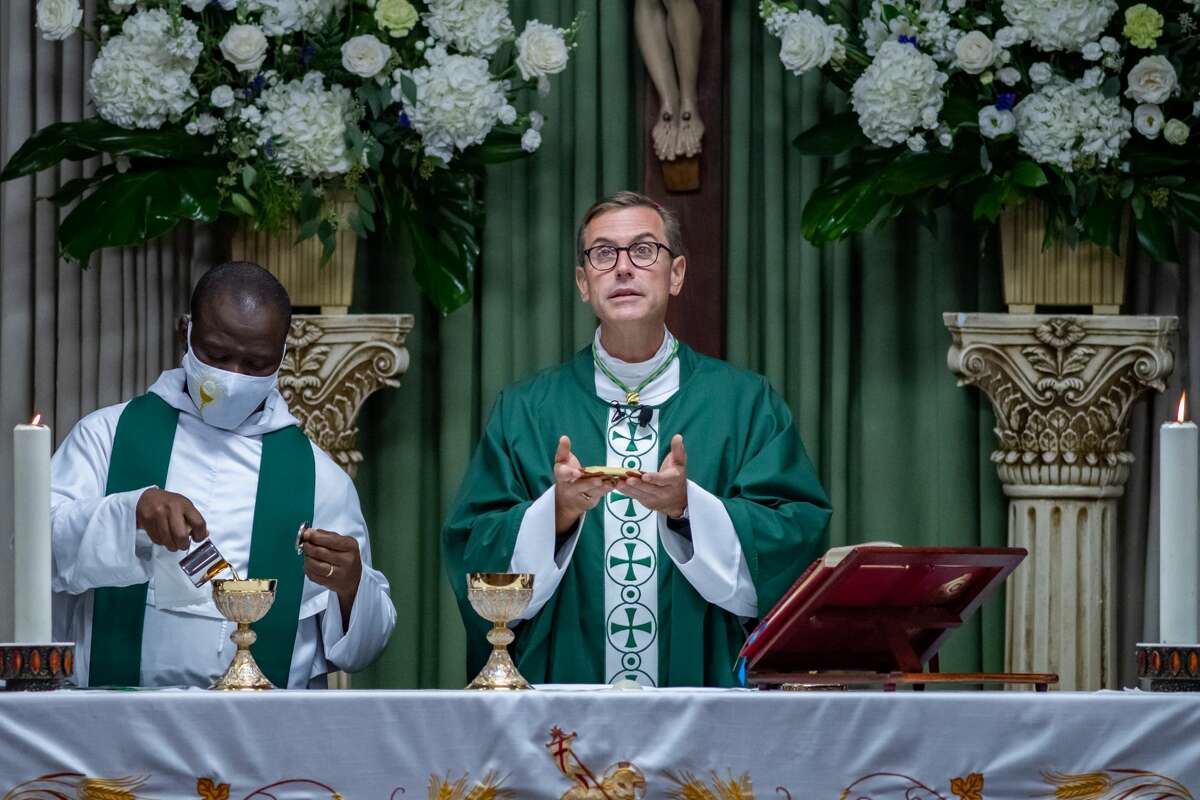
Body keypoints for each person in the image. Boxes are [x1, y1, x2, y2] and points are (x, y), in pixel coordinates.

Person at [443, 191, 831, 687]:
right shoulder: (526, 410)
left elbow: (794, 541)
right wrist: (556, 514)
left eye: (644, 250)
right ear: (583, 283)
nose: (623, 268)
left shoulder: (745, 403)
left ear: (677, 274)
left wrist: (686, 510)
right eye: (603, 254)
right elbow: (474, 548)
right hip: (565, 698)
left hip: (703, 693)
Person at [50, 261, 396, 688]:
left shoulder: (320, 478)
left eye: (256, 363)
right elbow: (37, 550)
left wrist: (351, 588)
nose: (233, 377)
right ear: (187, 333)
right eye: (216, 355)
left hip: (259, 724)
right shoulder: (106, 436)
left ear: (282, 356)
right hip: (115, 715)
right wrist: (130, 511)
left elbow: (363, 650)